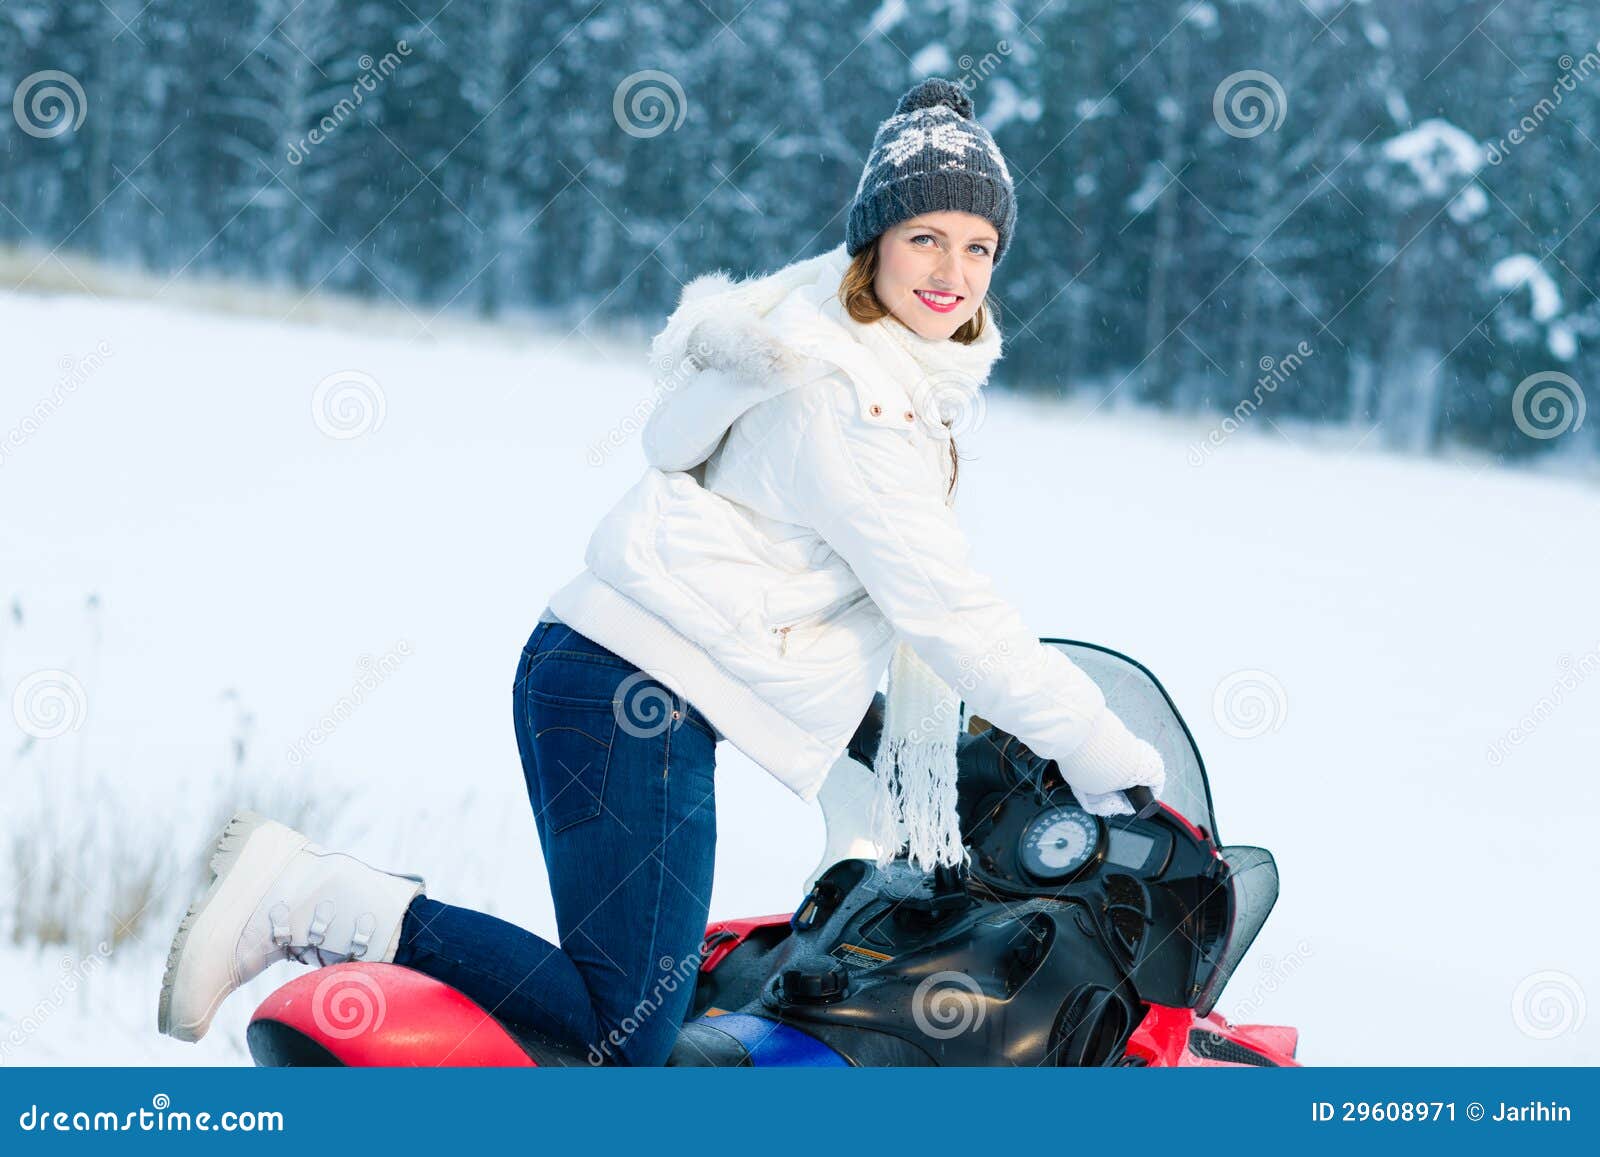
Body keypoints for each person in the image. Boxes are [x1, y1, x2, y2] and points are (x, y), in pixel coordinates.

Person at [156, 77, 1165, 1066]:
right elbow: (947, 609)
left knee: (625, 1011)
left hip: (615, 681)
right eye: (925, 238)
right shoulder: (858, 397)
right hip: (632, 694)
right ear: (874, 243)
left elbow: (781, 591)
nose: (953, 270)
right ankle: (319, 896)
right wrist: (1092, 745)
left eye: (978, 245)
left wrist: (895, 739)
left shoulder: (854, 358)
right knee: (623, 1027)